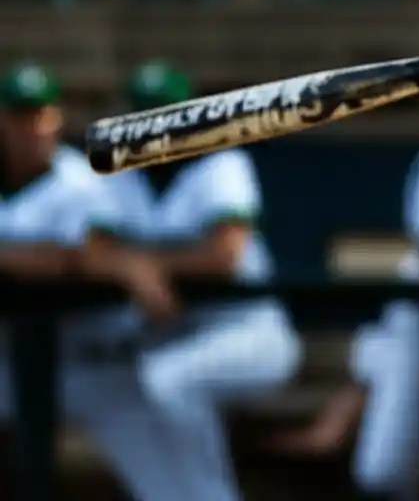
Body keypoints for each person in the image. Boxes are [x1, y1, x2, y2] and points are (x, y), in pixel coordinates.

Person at [91, 60, 302, 501]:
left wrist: (144, 264)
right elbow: (95, 251)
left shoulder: (221, 165)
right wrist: (130, 267)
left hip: (247, 333)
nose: (156, 129)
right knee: (118, 394)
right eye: (146, 115)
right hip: (173, 335)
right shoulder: (119, 177)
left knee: (169, 381)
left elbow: (223, 254)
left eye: (168, 115)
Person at [0, 62, 186, 500]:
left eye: (41, 116)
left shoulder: (81, 181)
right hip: (15, 361)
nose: (33, 130)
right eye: (21, 117)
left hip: (100, 363)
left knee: (169, 489)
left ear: (58, 119)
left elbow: (72, 259)